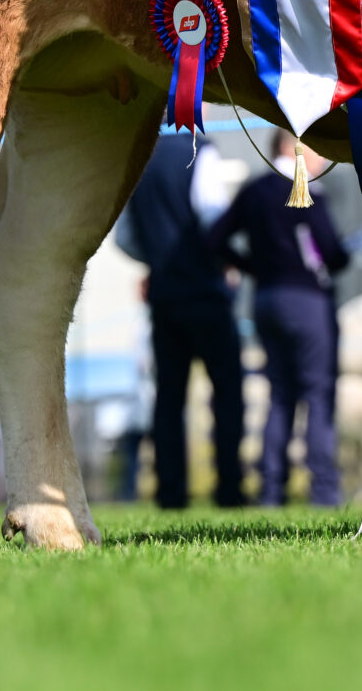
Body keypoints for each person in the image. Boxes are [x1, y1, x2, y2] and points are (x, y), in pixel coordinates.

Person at [216, 135, 349, 506]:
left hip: (267, 299)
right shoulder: (305, 190)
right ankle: (323, 491)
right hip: (306, 301)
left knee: (280, 395)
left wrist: (253, 268)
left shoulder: (255, 190)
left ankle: (271, 491)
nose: (325, 158)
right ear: (299, 151)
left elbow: (215, 238)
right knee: (317, 394)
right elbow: (334, 252)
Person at [117, 130, 245, 508]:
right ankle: (229, 488)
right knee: (227, 391)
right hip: (206, 291)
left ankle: (170, 492)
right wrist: (229, 260)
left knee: (168, 398)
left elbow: (124, 235)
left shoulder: (136, 153)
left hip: (164, 296)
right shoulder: (199, 151)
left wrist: (157, 260)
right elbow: (213, 215)